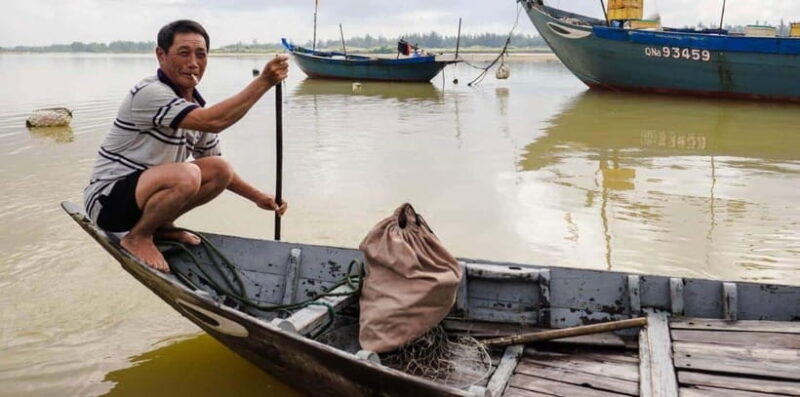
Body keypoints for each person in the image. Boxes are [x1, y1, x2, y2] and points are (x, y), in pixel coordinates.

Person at [83, 20, 288, 272]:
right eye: (183, 53)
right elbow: (214, 121)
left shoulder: (194, 108)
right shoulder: (150, 93)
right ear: (161, 55)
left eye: (200, 55)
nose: (193, 63)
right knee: (187, 174)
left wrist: (259, 197)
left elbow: (218, 166)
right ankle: (138, 237)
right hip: (107, 203)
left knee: (220, 168)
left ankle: (160, 226)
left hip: (143, 197)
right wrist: (263, 82)